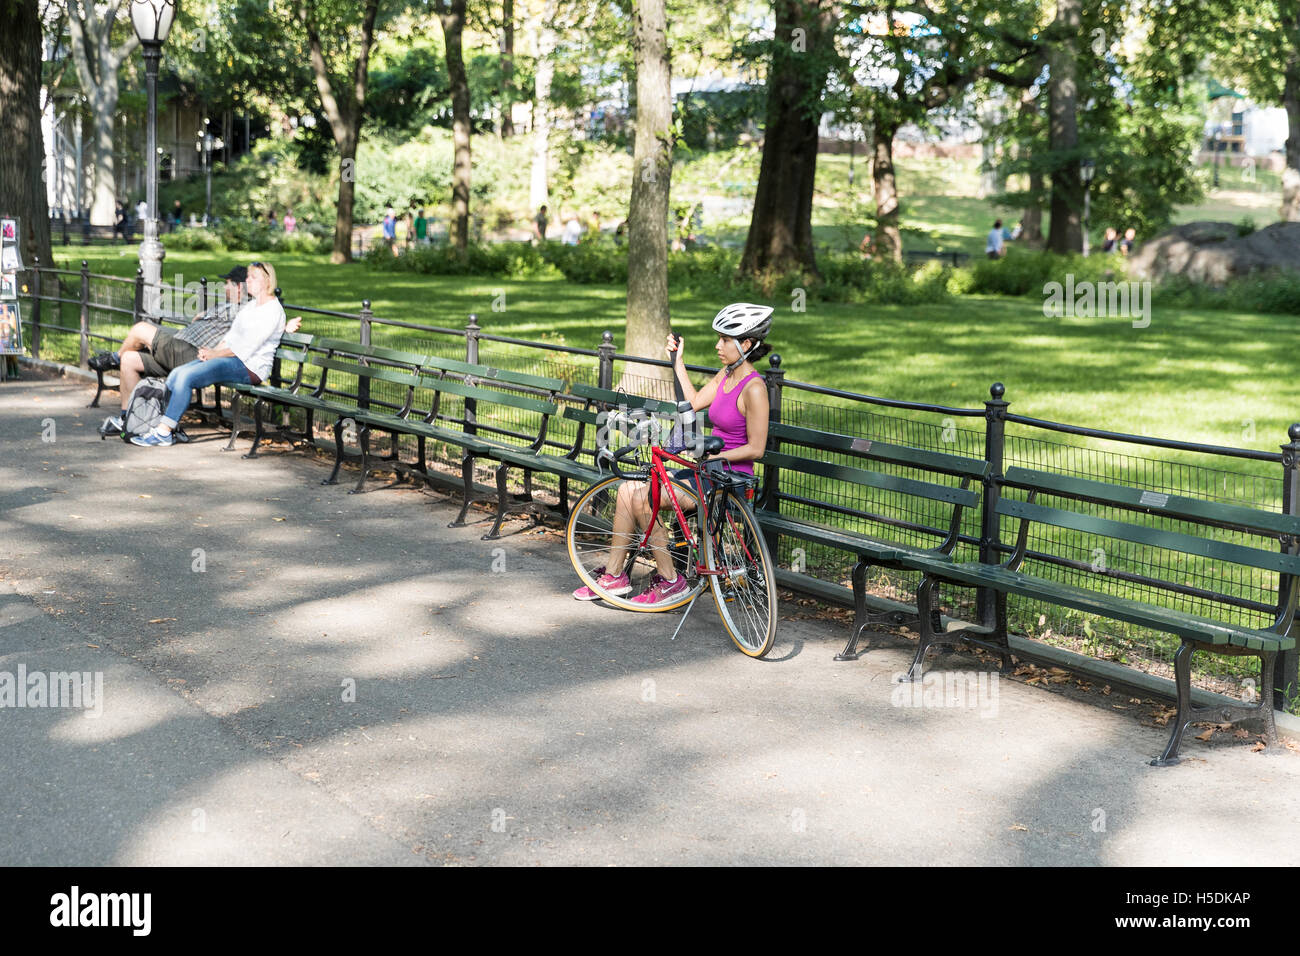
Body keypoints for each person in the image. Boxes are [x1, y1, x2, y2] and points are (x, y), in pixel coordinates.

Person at [573, 303, 773, 605]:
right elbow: (693, 402)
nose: (717, 346)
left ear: (745, 344)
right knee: (628, 489)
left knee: (642, 497)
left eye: (724, 340)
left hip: (728, 478)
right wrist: (677, 361)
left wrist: (714, 456)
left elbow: (756, 448)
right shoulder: (726, 374)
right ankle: (614, 577)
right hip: (705, 470)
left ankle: (670, 581)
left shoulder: (754, 388)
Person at [92, 265, 302, 434]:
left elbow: (256, 335)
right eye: (247, 278)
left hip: (196, 352)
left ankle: (114, 361)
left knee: (140, 329)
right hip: (190, 345)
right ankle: (128, 419)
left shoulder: (248, 307)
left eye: (227, 284)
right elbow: (251, 331)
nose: (224, 288)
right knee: (129, 359)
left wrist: (284, 328)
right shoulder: (244, 307)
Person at [130, 261, 287, 447]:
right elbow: (232, 336)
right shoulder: (251, 307)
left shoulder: (272, 310)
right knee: (176, 374)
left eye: (253, 277)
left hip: (249, 368)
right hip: (232, 358)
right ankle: (164, 425)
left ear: (268, 282)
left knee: (187, 377)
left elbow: (247, 347)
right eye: (248, 276)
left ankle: (164, 432)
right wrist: (211, 352)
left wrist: (216, 355)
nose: (248, 280)